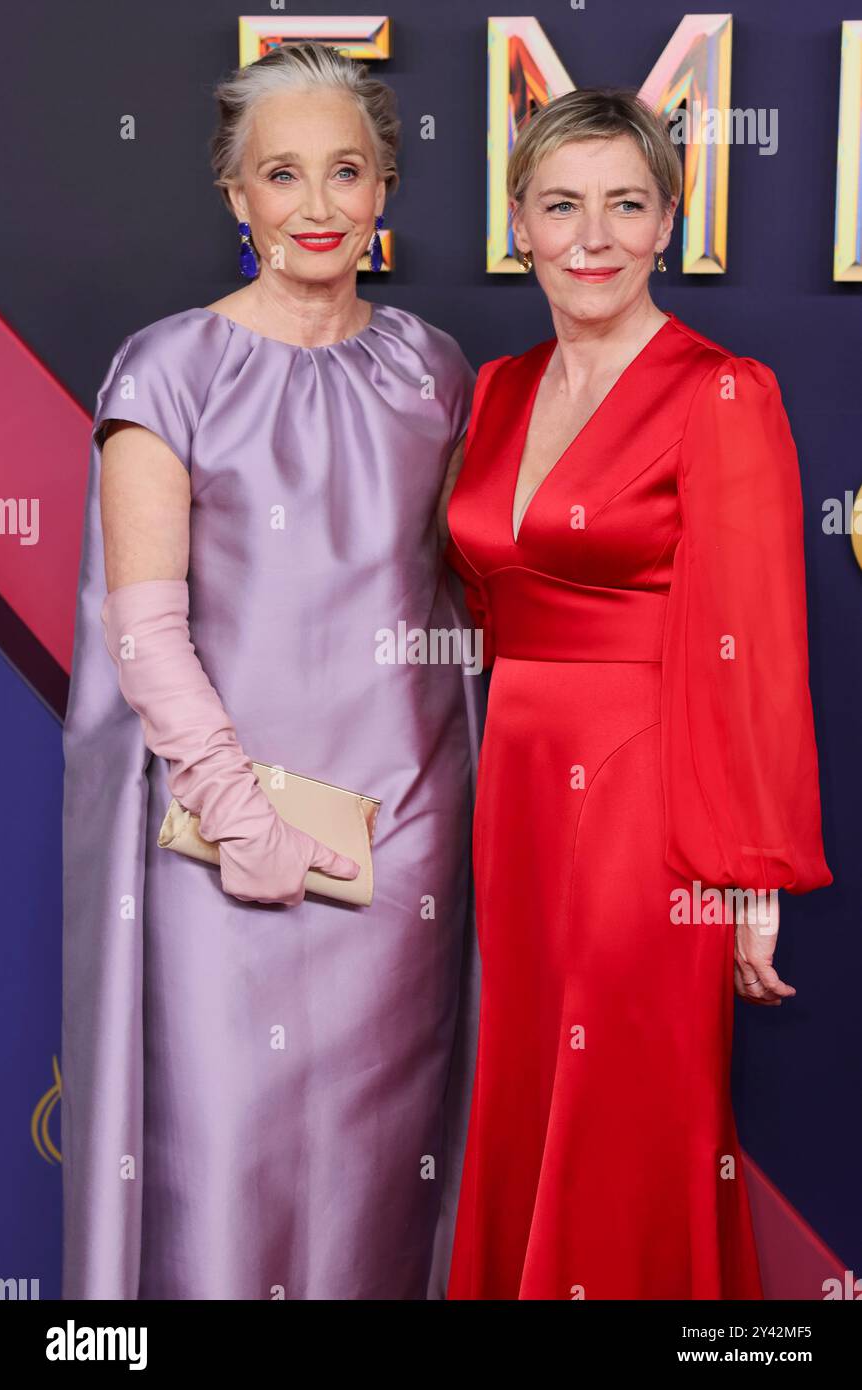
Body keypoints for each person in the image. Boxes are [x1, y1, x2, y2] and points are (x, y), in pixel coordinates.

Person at [61, 41, 483, 1300]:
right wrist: (244, 818)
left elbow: (464, 605)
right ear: (234, 197)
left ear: (383, 190)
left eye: (343, 172)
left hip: (398, 854)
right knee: (220, 1175)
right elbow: (145, 634)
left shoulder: (432, 370)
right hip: (214, 848)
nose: (315, 207)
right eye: (281, 175)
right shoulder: (168, 370)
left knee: (375, 1190)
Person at [442, 87, 832, 1300]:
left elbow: (754, 637)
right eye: (561, 205)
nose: (592, 236)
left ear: (667, 219)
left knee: (620, 1089)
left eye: (624, 203)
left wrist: (746, 865)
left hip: (646, 789)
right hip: (513, 778)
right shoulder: (496, 391)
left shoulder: (720, 389)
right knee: (525, 1077)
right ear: (517, 223)